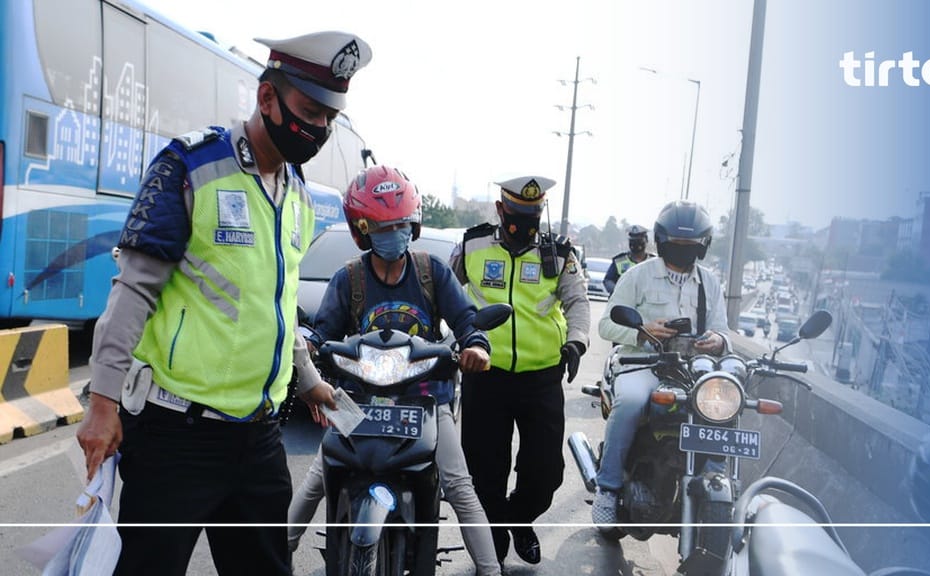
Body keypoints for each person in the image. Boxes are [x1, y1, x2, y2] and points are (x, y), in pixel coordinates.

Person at [74, 31, 372, 576]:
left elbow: (276, 306)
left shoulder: (298, 194)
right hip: (175, 436)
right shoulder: (190, 166)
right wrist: (102, 401)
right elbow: (133, 289)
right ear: (267, 98)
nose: (321, 129)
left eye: (330, 117)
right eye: (310, 112)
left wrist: (309, 380)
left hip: (258, 437)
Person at [287, 165, 502, 576]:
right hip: (358, 400)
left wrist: (475, 345)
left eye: (400, 225)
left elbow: (466, 320)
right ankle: (279, 553)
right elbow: (322, 332)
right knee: (317, 477)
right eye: (382, 227)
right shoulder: (349, 278)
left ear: (413, 225)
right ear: (362, 231)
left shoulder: (431, 272)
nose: (393, 234)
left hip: (425, 399)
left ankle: (491, 570)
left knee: (458, 485)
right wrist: (310, 348)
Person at [450, 175, 590, 566]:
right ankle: (494, 534)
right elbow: (442, 292)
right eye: (517, 213)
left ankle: (520, 517)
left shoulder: (559, 253)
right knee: (484, 469)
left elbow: (578, 302)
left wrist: (577, 342)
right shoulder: (473, 245)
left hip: (541, 378)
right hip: (485, 373)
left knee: (546, 472)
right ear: (501, 209)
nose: (526, 221)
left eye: (533, 213)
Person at [591, 200, 731, 526]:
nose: (683, 249)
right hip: (643, 362)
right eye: (677, 243)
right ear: (662, 241)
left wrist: (718, 341)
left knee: (721, 405)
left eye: (690, 244)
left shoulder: (709, 283)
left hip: (690, 370)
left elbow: (723, 331)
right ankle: (607, 488)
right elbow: (606, 326)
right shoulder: (638, 276)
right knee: (631, 401)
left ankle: (714, 476)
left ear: (703, 245)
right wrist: (643, 332)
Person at [603, 224, 655, 295]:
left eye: (639, 241)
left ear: (646, 240)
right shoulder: (620, 261)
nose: (636, 244)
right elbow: (608, 280)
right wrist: (618, 291)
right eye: (633, 241)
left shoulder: (654, 262)